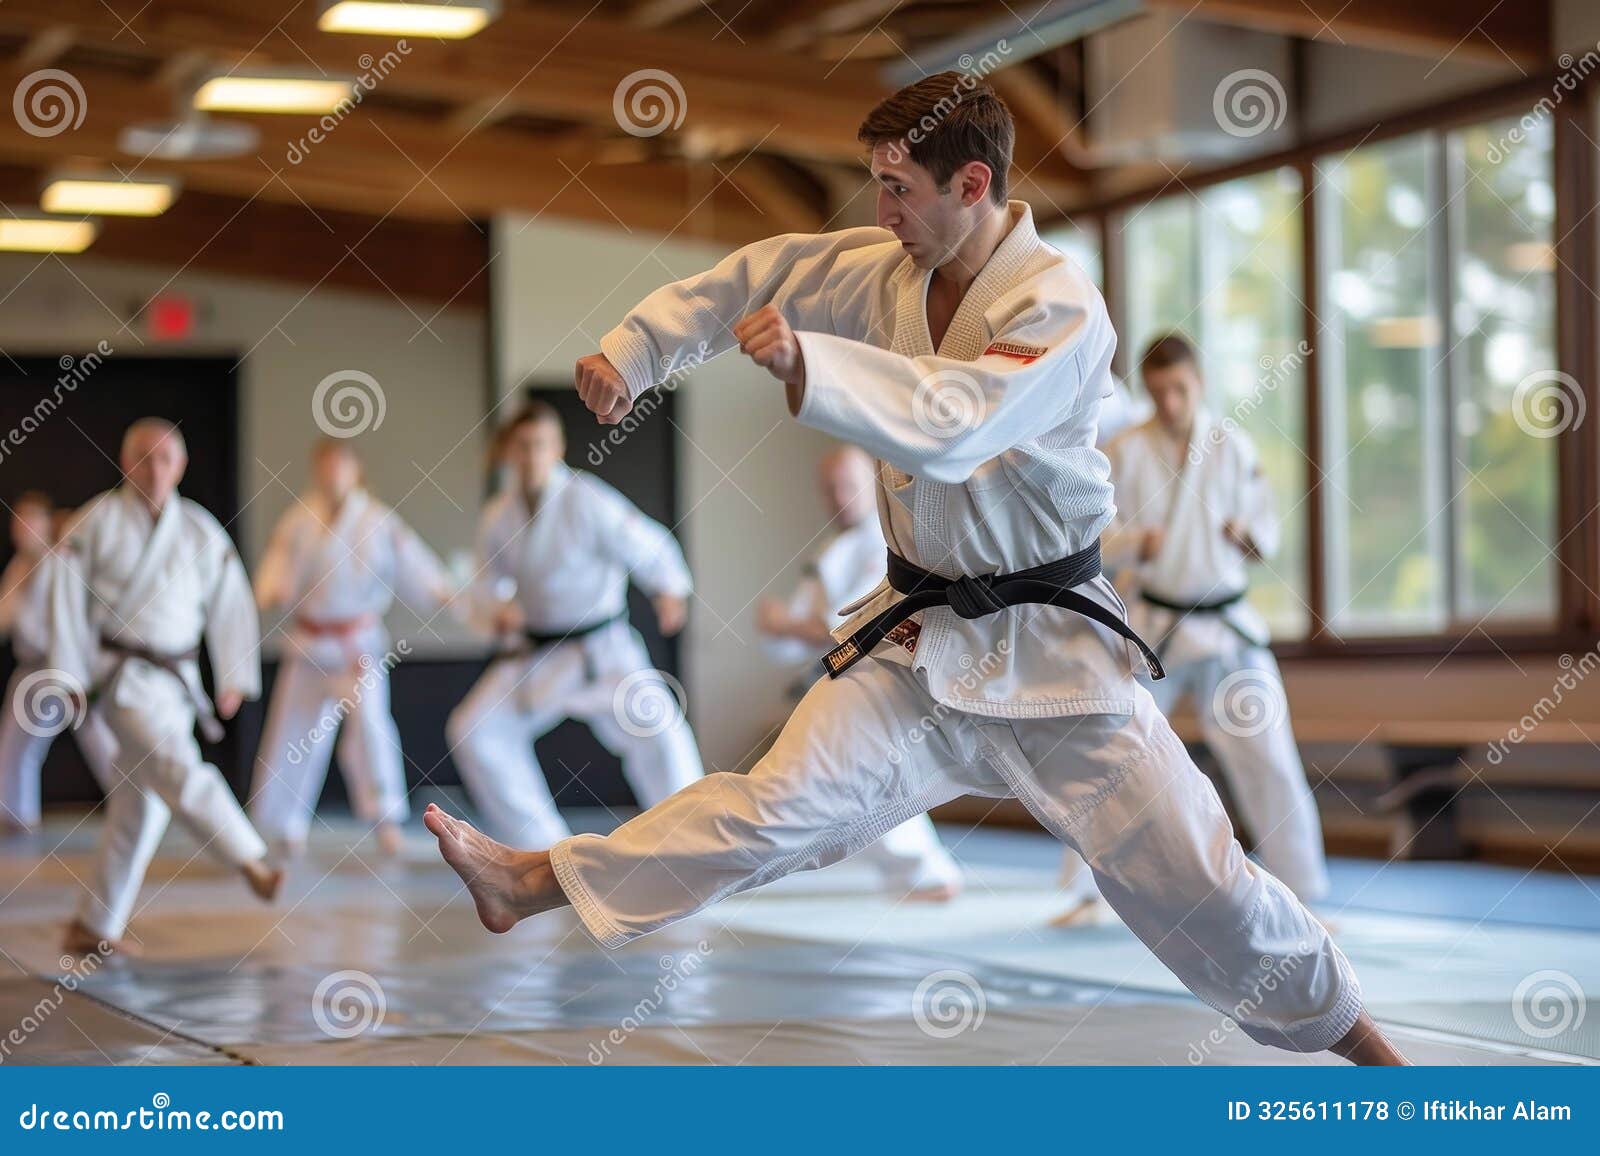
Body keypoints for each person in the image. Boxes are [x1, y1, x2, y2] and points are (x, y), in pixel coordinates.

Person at [426, 73, 1405, 1063]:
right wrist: (637, 349)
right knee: (776, 807)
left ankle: (1374, 1055)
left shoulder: (1058, 306)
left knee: (1199, 883)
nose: (881, 211)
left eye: (899, 190)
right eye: (876, 186)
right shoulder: (881, 272)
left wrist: (819, 369)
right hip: (919, 641)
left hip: (1054, 653)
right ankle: (530, 879)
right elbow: (756, 277)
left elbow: (959, 419)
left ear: (970, 183)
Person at [1055, 334, 1329, 924]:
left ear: (1198, 381)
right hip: (1159, 627)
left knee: (1268, 756)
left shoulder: (1233, 445)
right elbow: (1092, 542)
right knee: (1113, 753)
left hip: (1228, 627)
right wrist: (1136, 543)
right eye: (1158, 393)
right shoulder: (1124, 451)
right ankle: (1085, 892)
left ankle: (1303, 892)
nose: (1171, 404)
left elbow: (1267, 535)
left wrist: (1248, 538)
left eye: (1179, 389)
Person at [50, 418, 280, 955]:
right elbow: (64, 600)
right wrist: (68, 673)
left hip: (176, 683)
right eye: (143, 458)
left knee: (142, 806)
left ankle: (93, 924)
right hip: (122, 680)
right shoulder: (95, 523)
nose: (154, 470)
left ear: (181, 466)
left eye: (165, 459)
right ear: (125, 463)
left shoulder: (199, 530)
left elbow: (231, 603)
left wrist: (233, 673)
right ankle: (250, 858)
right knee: (178, 765)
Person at [444, 401, 705, 849]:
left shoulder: (587, 499)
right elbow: (487, 584)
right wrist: (497, 608)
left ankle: (695, 846)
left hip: (604, 651)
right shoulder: (499, 516)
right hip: (539, 654)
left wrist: (669, 588)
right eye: (523, 446)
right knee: (475, 730)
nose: (531, 456)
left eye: (540, 445)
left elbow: (643, 540)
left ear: (557, 447)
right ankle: (543, 848)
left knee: (661, 732)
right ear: (509, 451)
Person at [756, 445, 963, 901]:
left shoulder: (883, 542)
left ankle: (925, 871)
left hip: (881, 675)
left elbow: (844, 626)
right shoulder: (833, 548)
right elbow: (799, 630)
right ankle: (915, 873)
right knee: (856, 777)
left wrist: (782, 624)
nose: (837, 498)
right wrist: (780, 630)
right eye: (829, 489)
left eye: (846, 487)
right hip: (841, 680)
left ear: (868, 486)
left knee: (869, 774)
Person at [250, 438, 456, 859]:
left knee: (371, 729)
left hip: (354, 645)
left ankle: (385, 820)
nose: (331, 474)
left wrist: (443, 592)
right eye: (323, 466)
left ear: (355, 469)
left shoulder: (378, 521)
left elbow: (414, 564)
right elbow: (277, 566)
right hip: (309, 643)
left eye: (339, 465)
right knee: (293, 732)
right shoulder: (298, 520)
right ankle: (284, 823)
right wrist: (269, 588)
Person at [0, 492, 119, 834]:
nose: (20, 529)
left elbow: (75, 623)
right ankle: (17, 816)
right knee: (15, 743)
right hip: (31, 670)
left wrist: (72, 677)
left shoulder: (63, 561)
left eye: (28, 521)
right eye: (16, 522)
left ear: (44, 524)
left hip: (69, 667)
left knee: (101, 741)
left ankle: (136, 804)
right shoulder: (18, 567)